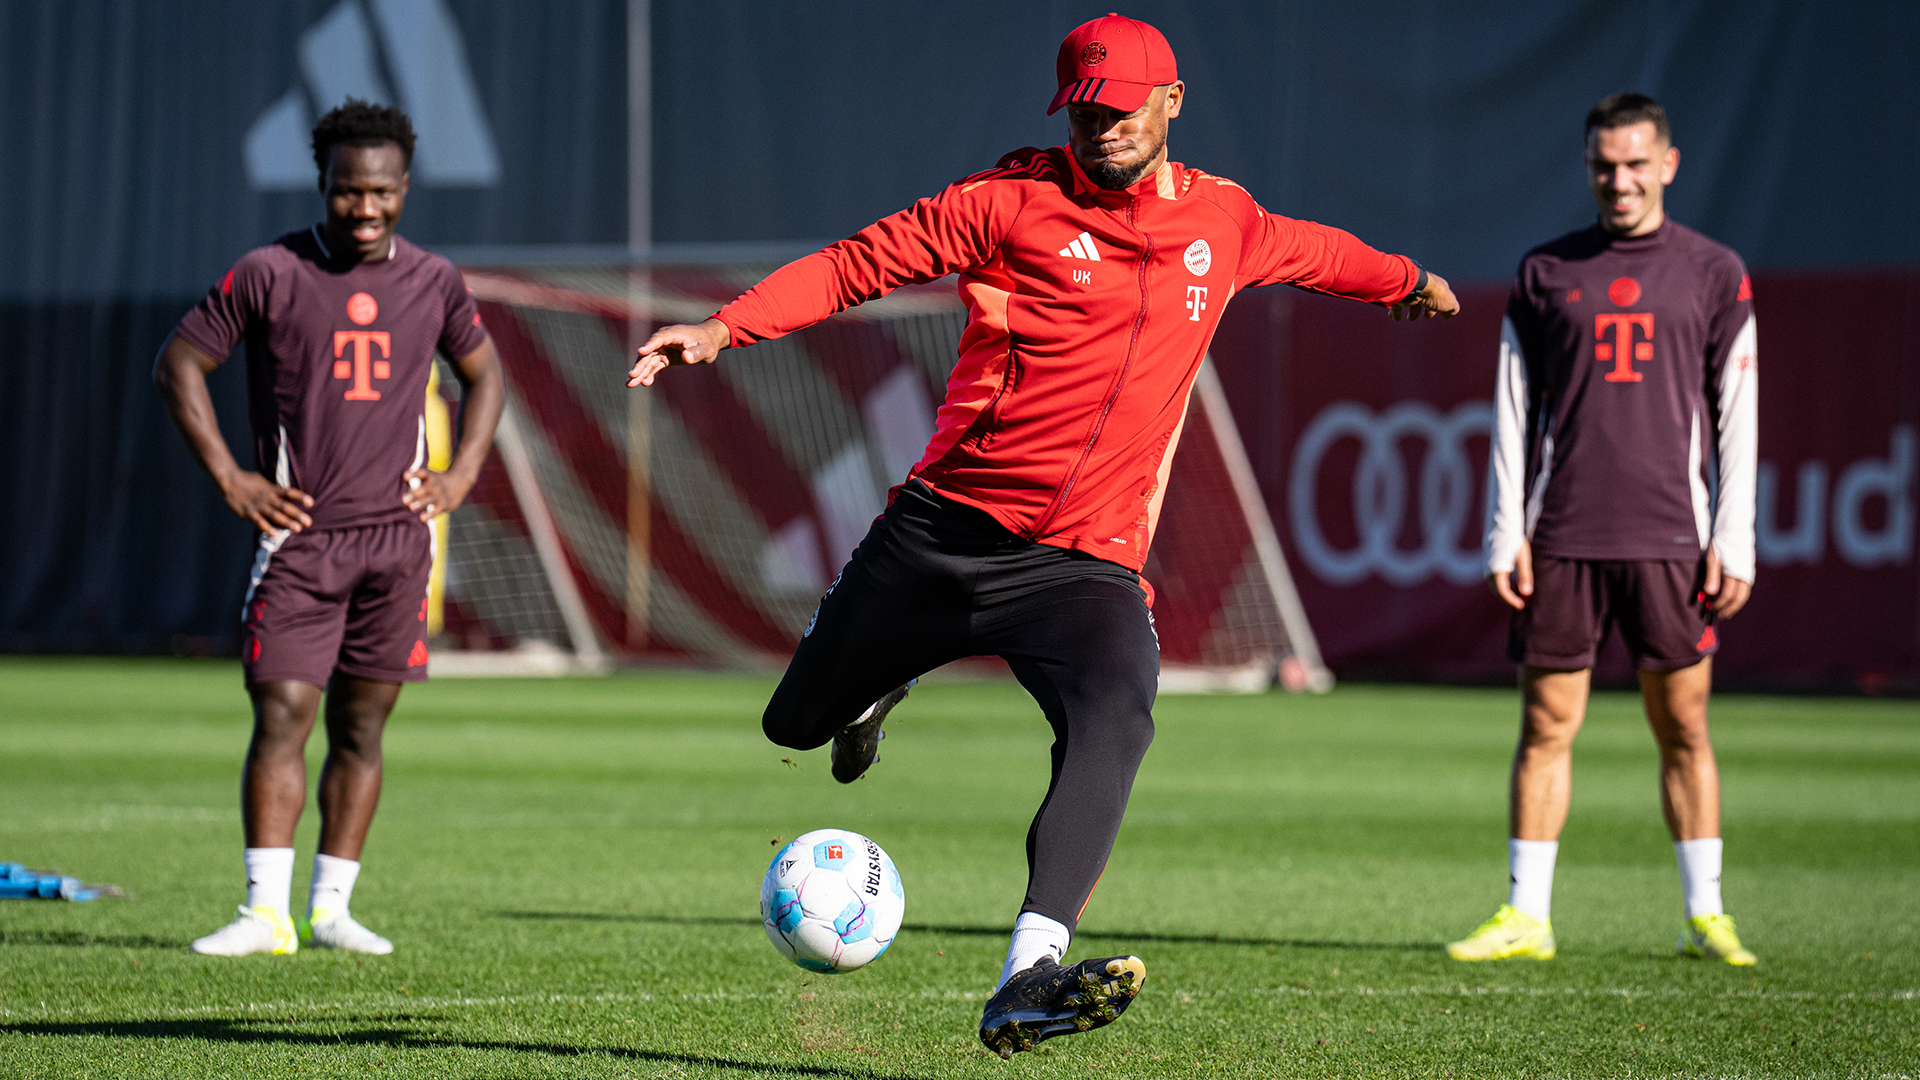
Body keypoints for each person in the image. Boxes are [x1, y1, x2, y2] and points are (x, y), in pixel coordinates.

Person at [630, 14, 1459, 1054]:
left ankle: (1028, 972)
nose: (1100, 127)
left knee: (1119, 714)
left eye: (1120, 109)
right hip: (944, 533)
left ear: (1172, 102)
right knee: (793, 727)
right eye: (1083, 109)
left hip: (1082, 564)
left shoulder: (1225, 220)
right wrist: (722, 328)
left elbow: (1320, 253)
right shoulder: (1007, 202)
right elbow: (853, 266)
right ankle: (878, 685)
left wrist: (1406, 280)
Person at [155, 99, 503, 957]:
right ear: (323, 183)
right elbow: (180, 363)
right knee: (283, 711)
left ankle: (331, 909)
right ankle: (262, 914)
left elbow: (486, 376)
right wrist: (232, 477)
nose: (367, 207)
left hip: (397, 542)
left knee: (361, 726)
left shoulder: (435, 280)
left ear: (406, 187)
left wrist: (461, 474)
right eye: (350, 190)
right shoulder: (270, 271)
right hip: (300, 538)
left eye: (383, 191)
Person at [1449, 93, 1758, 966]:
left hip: (1673, 538)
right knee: (1546, 725)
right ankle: (1527, 916)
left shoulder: (1714, 271)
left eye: (1634, 165)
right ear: (1588, 167)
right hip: (1562, 535)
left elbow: (1738, 412)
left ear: (1668, 164)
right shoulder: (1545, 271)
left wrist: (1733, 537)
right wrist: (1505, 529)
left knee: (1684, 727)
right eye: (1603, 166)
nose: (1619, 182)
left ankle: (1705, 915)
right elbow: (1514, 408)